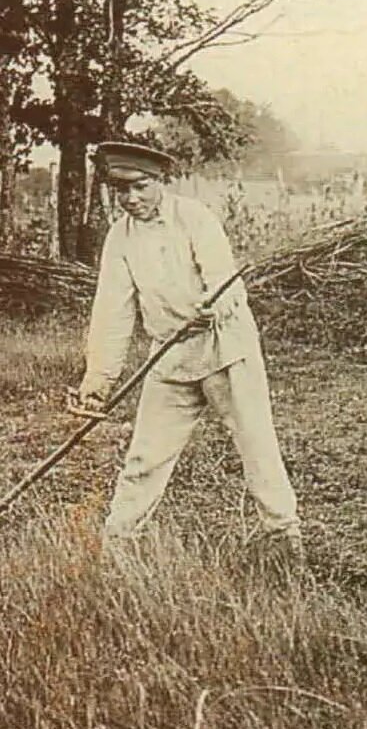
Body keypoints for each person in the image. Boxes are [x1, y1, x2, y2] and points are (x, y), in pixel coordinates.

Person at [74, 141, 303, 566]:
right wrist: (99, 382)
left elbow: (226, 282)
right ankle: (116, 547)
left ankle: (284, 537)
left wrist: (210, 307)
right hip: (170, 356)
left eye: (140, 187)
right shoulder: (120, 237)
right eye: (120, 190)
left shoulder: (194, 219)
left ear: (160, 180)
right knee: (145, 457)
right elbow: (112, 311)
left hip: (224, 348)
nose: (131, 199)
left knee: (255, 443)